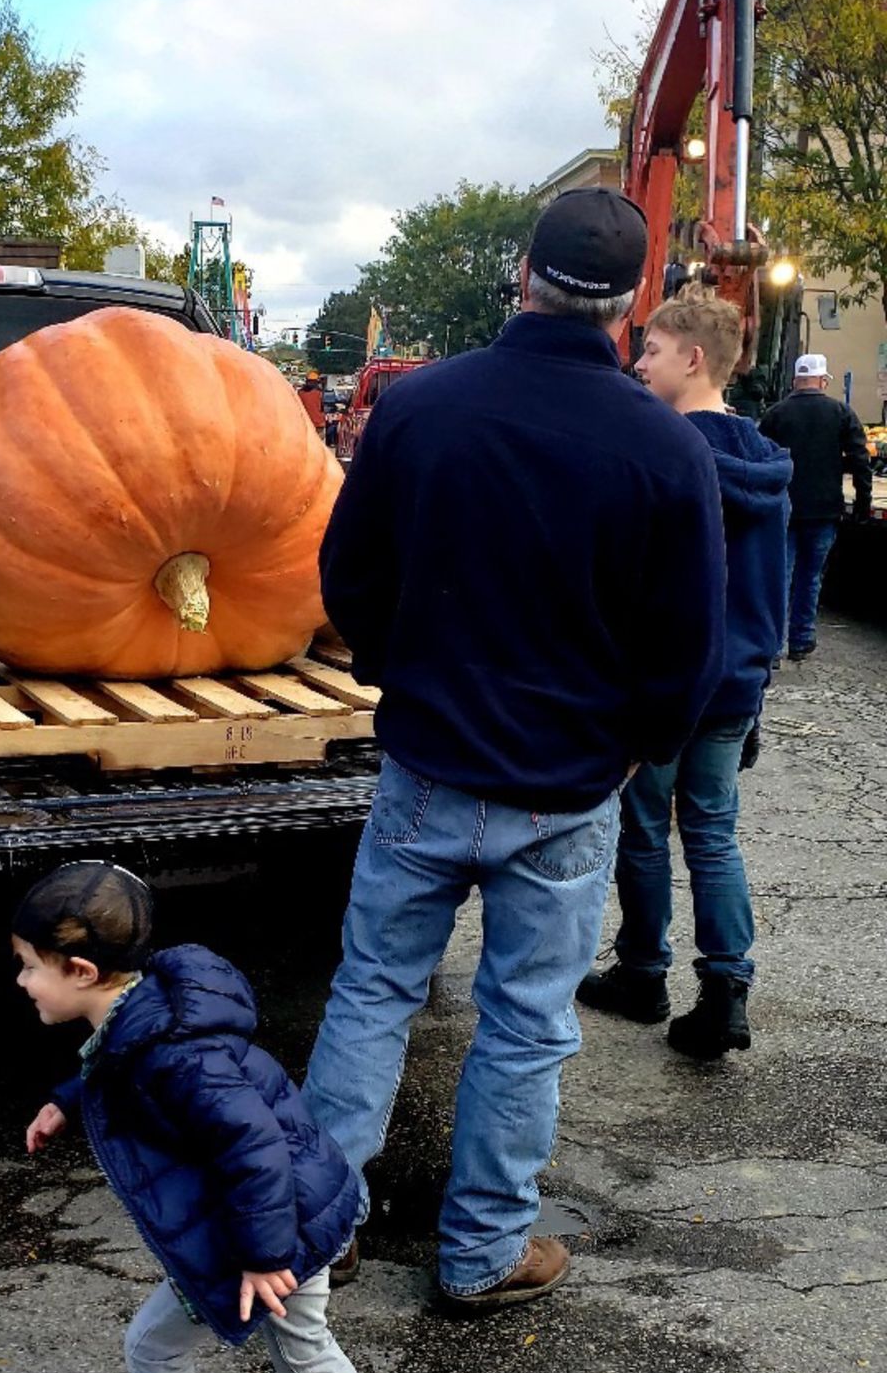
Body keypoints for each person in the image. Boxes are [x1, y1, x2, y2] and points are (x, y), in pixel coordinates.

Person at [301, 187, 727, 1314]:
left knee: (372, 991)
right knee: (526, 1021)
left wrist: (401, 672)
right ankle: (484, 1248)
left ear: (523, 273)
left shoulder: (422, 408)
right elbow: (686, 645)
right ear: (633, 303)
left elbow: (348, 579)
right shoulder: (664, 450)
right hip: (567, 787)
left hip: (428, 762)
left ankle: (316, 1229)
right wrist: (639, 749)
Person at [13, 861, 410, 1373]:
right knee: (271, 1348)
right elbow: (116, 1070)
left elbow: (252, 1150)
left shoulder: (174, 1053)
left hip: (279, 1232)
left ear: (80, 970)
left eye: (27, 966)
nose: (21, 981)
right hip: (281, 1218)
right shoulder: (145, 1014)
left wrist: (262, 1257)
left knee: (209, 1347)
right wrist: (67, 1100)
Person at [578, 289, 792, 1060]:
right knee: (712, 832)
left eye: (654, 351)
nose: (638, 363)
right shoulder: (767, 460)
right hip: (737, 681)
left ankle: (643, 970)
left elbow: (640, 577)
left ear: (694, 358)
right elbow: (775, 579)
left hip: (671, 676)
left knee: (643, 828)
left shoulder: (667, 451)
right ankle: (727, 988)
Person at [760, 353, 872, 660]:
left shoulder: (775, 414)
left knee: (781, 576)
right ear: (823, 380)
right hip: (824, 509)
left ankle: (773, 645)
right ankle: (802, 640)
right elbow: (861, 460)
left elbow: (759, 457)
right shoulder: (841, 413)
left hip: (783, 508)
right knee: (811, 576)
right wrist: (863, 503)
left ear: (796, 380)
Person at [298, 370, 326, 438]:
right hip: (315, 423)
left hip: (308, 423)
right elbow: (323, 407)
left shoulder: (300, 392)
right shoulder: (320, 393)